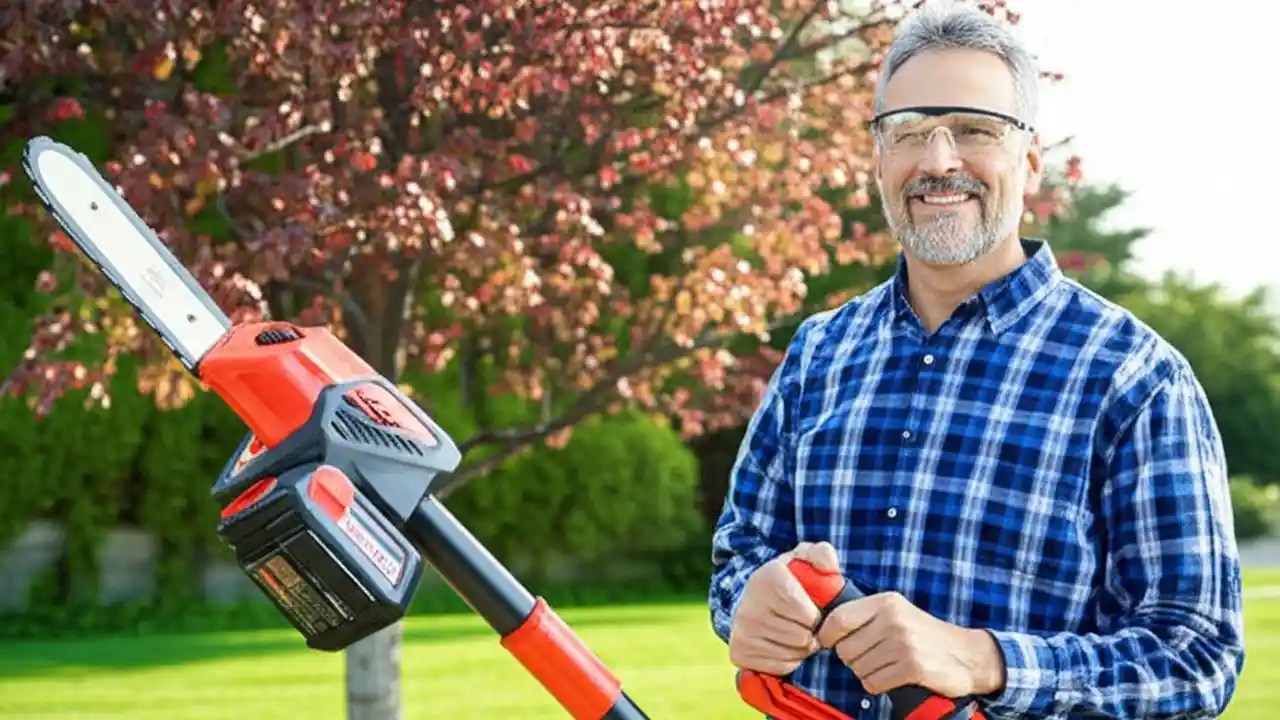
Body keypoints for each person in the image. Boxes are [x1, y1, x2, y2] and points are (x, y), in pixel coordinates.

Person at [707, 4, 1245, 719]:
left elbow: (1196, 658)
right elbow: (738, 556)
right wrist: (750, 599)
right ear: (878, 156)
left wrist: (984, 660)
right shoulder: (819, 354)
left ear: (1029, 158)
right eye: (908, 133)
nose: (938, 161)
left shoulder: (1135, 379)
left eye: (974, 130)